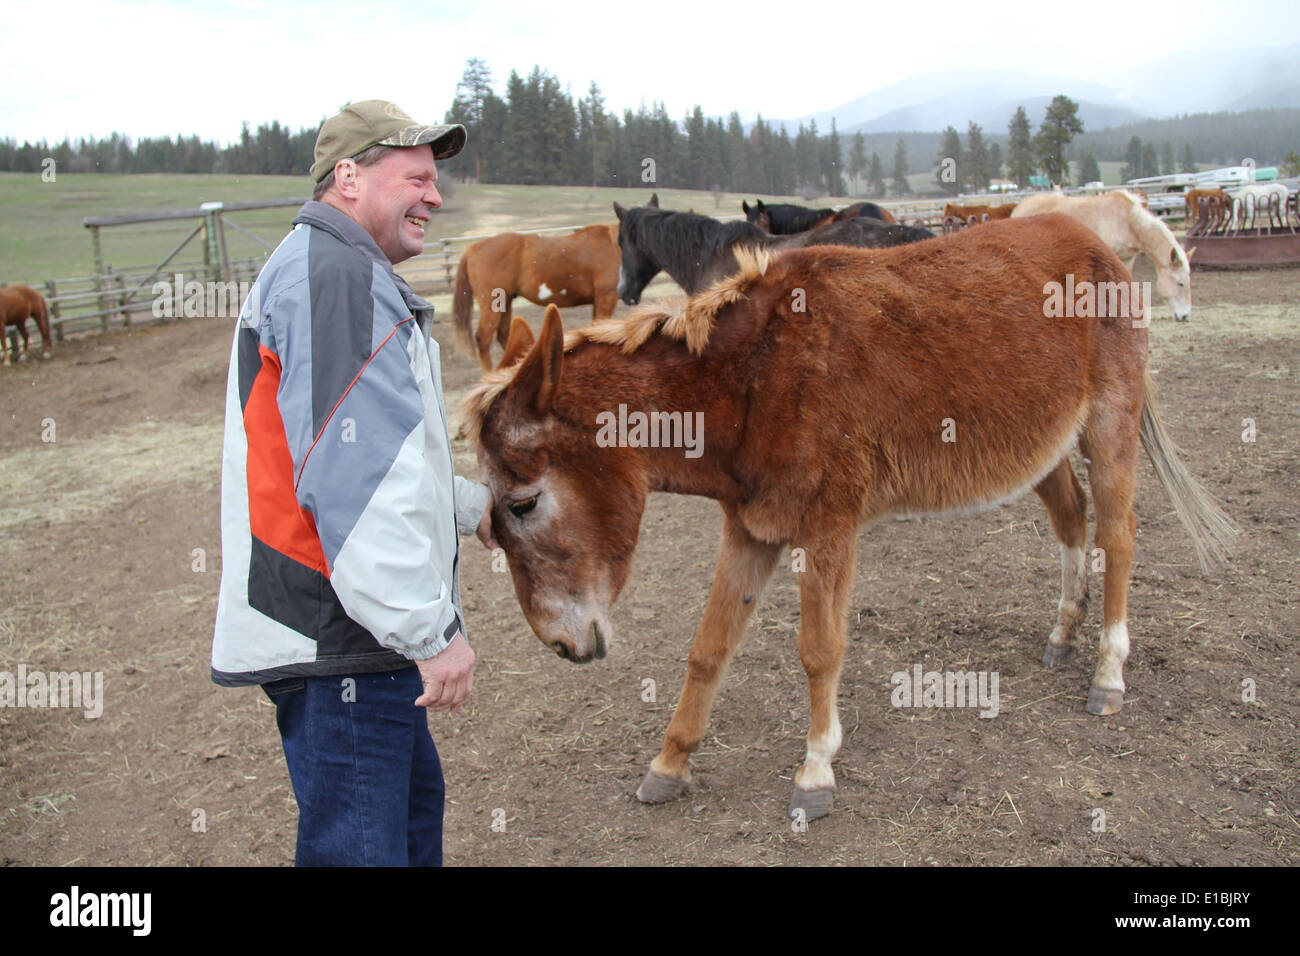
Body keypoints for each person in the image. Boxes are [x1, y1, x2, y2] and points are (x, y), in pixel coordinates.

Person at [211, 100, 496, 866]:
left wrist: (475, 509)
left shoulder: (329, 268)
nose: (435, 196)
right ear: (348, 176)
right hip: (343, 632)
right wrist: (430, 633)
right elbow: (357, 483)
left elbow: (371, 457)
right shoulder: (336, 278)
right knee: (367, 850)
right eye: (416, 177)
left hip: (347, 630)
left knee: (400, 829)